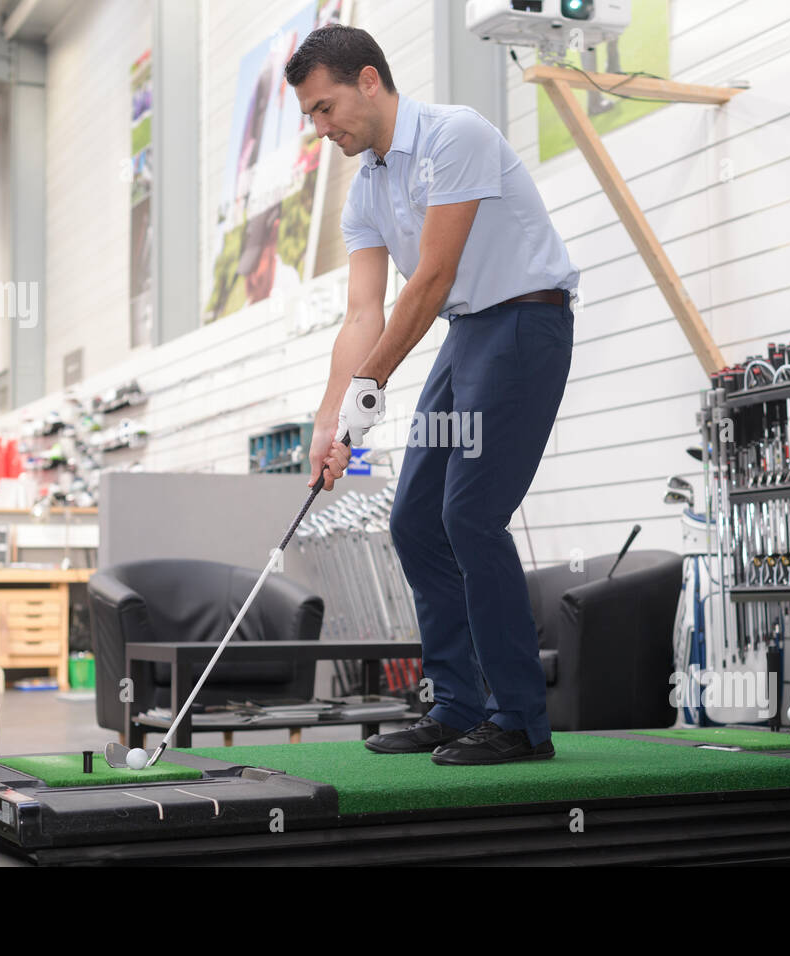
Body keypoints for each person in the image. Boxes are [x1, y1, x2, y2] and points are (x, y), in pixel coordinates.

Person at [285, 24, 579, 765]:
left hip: (524, 325)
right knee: (417, 518)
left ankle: (520, 721)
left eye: (325, 108)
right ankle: (455, 705)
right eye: (311, 117)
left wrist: (366, 394)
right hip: (467, 339)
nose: (322, 129)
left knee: (470, 516)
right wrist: (330, 422)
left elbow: (433, 279)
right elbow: (363, 314)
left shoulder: (457, 135)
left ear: (371, 81)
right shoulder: (368, 190)